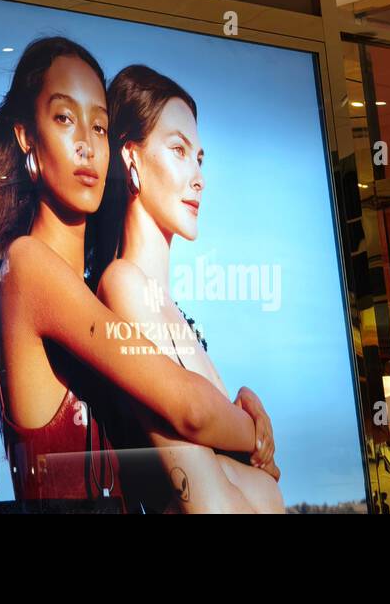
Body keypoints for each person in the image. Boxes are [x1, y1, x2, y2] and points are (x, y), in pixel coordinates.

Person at [0, 38, 274, 507]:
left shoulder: (90, 296)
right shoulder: (28, 265)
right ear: (28, 136)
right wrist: (254, 432)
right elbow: (188, 408)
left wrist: (238, 429)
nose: (87, 144)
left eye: (101, 126)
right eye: (65, 118)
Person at [95, 63, 284, 513]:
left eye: (199, 158)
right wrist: (249, 434)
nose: (198, 176)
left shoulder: (174, 315)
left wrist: (244, 427)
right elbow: (205, 489)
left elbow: (258, 472)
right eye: (178, 150)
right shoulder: (123, 283)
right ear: (132, 158)